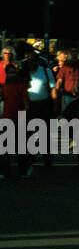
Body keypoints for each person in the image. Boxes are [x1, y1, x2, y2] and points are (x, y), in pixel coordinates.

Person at [1, 49, 30, 179]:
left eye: (13, 72)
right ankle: (3, 171)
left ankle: (23, 171)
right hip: (6, 118)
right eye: (9, 73)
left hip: (19, 119)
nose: (12, 75)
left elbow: (26, 103)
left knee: (21, 147)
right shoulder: (3, 87)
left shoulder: (21, 86)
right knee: (4, 148)